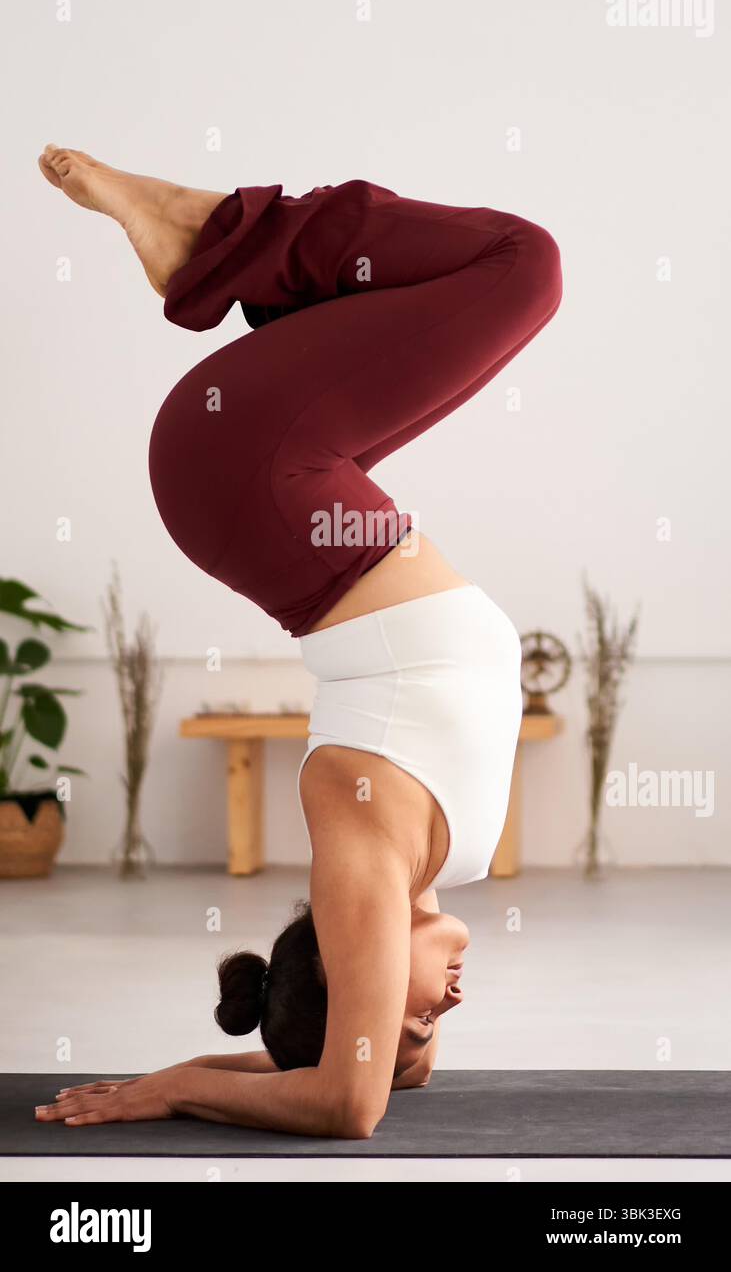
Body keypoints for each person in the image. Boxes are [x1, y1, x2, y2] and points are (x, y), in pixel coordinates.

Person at [34, 147, 562, 1138]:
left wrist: (177, 1086)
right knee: (504, 276)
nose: (441, 1013)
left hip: (253, 472)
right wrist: (227, 1060)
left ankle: (215, 237)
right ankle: (249, 273)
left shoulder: (360, 859)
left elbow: (346, 1101)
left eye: (402, 1026)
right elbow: (365, 1077)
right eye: (426, 1039)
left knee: (521, 265)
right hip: (290, 479)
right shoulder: (434, 860)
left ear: (346, 962)